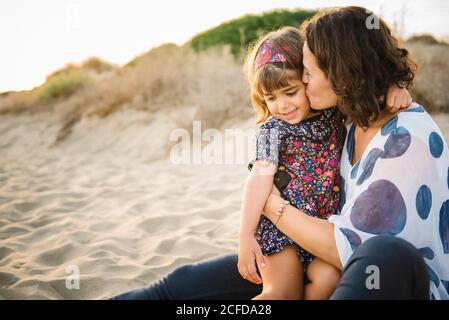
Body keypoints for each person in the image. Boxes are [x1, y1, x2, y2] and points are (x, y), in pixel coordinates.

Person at [111, 6, 448, 300]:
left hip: (385, 278)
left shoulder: (405, 142)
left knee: (382, 256)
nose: (302, 80)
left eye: (308, 72)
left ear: (341, 74)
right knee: (181, 286)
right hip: (304, 244)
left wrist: (272, 205)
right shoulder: (348, 117)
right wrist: (392, 85)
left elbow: (350, 249)